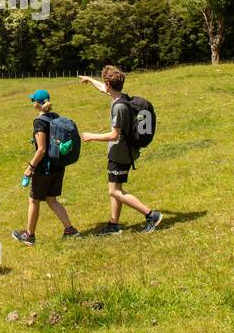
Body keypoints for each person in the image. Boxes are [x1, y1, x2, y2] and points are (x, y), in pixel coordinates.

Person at [78, 66, 161, 234]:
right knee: (116, 188)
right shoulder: (121, 97)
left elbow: (114, 135)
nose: (103, 85)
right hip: (124, 151)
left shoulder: (119, 107)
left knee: (114, 191)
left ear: (109, 84)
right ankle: (113, 224)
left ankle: (151, 215)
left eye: (104, 82)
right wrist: (90, 79)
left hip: (120, 152)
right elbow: (103, 89)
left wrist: (90, 136)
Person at [11, 90, 81, 246]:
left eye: (32, 101)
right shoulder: (55, 117)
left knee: (34, 200)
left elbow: (41, 149)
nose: (32, 103)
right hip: (58, 166)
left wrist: (30, 167)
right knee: (51, 199)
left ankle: (29, 236)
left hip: (44, 168)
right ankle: (70, 230)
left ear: (37, 103)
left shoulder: (39, 122)